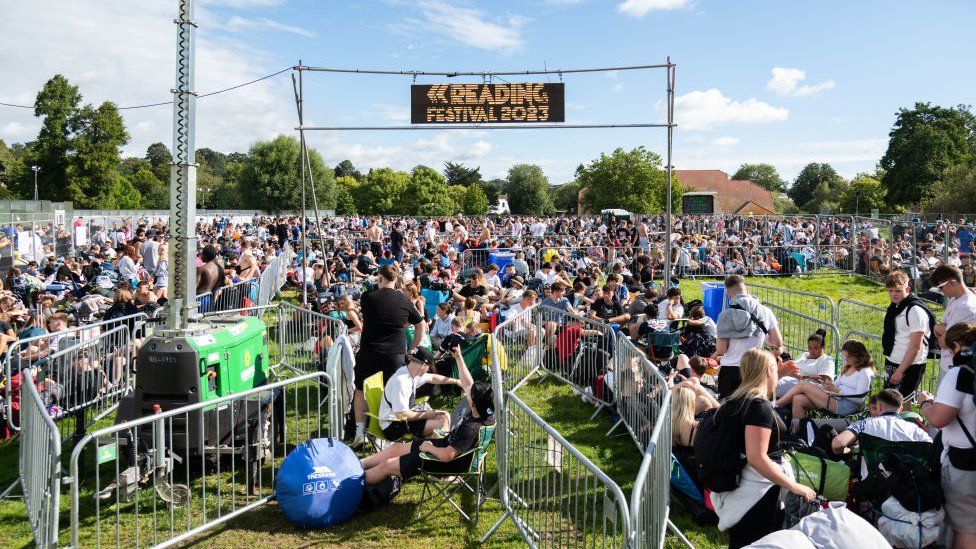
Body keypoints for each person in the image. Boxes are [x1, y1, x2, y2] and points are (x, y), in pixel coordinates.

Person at [708, 349, 815, 548]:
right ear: (768, 371)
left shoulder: (737, 400)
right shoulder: (758, 407)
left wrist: (779, 372)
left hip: (742, 493)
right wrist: (794, 486)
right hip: (757, 494)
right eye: (774, 370)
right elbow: (756, 457)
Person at [362, 344, 495, 485]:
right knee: (395, 449)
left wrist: (429, 448)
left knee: (388, 465)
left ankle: (351, 483)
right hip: (438, 444)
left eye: (470, 395)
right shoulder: (484, 414)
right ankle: (359, 465)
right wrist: (458, 358)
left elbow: (447, 456)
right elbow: (468, 384)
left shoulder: (470, 428)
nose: (467, 393)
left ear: (473, 403)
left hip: (439, 461)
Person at [352, 265, 427, 448]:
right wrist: (412, 348)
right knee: (392, 392)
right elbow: (421, 325)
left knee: (361, 390)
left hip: (369, 352)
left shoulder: (368, 297)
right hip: (394, 354)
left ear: (379, 278)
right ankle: (387, 433)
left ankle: (360, 432)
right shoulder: (403, 299)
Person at [917, 332, 976, 548]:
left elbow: (939, 419)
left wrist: (925, 402)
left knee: (966, 527)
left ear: (956, 346)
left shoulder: (961, 373)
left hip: (966, 462)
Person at [713, 275, 784, 399]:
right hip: (755, 368)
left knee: (729, 412)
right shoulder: (766, 311)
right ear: (747, 289)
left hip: (730, 369)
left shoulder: (724, 315)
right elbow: (777, 342)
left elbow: (721, 350)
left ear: (729, 295)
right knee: (753, 410)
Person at [775, 340, 876, 422]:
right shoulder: (849, 367)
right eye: (845, 356)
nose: (846, 359)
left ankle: (776, 405)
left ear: (857, 355)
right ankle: (799, 433)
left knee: (803, 385)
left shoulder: (865, 372)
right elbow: (836, 384)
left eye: (848, 356)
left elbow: (859, 398)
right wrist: (827, 385)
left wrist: (837, 391)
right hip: (835, 397)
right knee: (798, 399)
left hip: (847, 405)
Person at [830, 389, 931, 467]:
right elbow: (932, 455)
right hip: (908, 489)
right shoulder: (916, 431)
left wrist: (847, 452)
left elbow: (837, 444)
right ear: (900, 409)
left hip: (870, 488)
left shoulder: (864, 424)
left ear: (879, 407)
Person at [378, 347, 460, 440]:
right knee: (441, 423)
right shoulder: (402, 382)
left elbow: (432, 378)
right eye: (429, 367)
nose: (428, 370)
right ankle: (432, 449)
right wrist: (426, 415)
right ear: (424, 366)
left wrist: (456, 381)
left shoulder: (410, 372)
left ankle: (437, 446)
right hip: (393, 426)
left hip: (403, 418)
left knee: (445, 416)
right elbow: (401, 414)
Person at [882, 271, 933, 397]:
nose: (893, 294)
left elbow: (916, 345)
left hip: (910, 365)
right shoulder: (895, 307)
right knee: (888, 402)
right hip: (892, 359)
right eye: (890, 291)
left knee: (902, 404)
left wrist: (900, 371)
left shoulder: (915, 310)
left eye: (898, 291)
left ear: (907, 289)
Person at [929, 265, 976, 382]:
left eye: (941, 287)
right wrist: (941, 328)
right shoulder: (954, 299)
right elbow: (939, 328)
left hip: (956, 368)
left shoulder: (965, 306)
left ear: (952, 282)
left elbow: (945, 342)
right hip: (948, 364)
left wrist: (941, 330)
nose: (941, 291)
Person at [775, 329, 835, 397]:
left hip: (803, 385)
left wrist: (800, 376)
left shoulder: (826, 360)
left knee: (774, 386)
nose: (812, 351)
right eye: (810, 348)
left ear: (823, 348)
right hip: (787, 378)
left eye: (816, 348)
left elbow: (826, 379)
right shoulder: (803, 355)